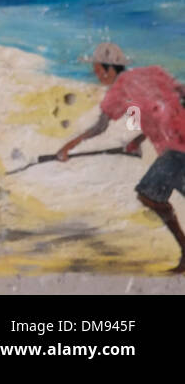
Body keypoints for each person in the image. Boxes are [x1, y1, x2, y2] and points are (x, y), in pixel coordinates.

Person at [58, 41, 185, 273]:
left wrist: (69, 145)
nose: (97, 76)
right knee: (152, 194)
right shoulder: (154, 72)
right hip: (178, 144)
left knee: (149, 195)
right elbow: (168, 103)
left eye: (97, 71)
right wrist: (139, 139)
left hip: (176, 151)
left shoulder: (117, 91)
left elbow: (100, 127)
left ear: (108, 69)